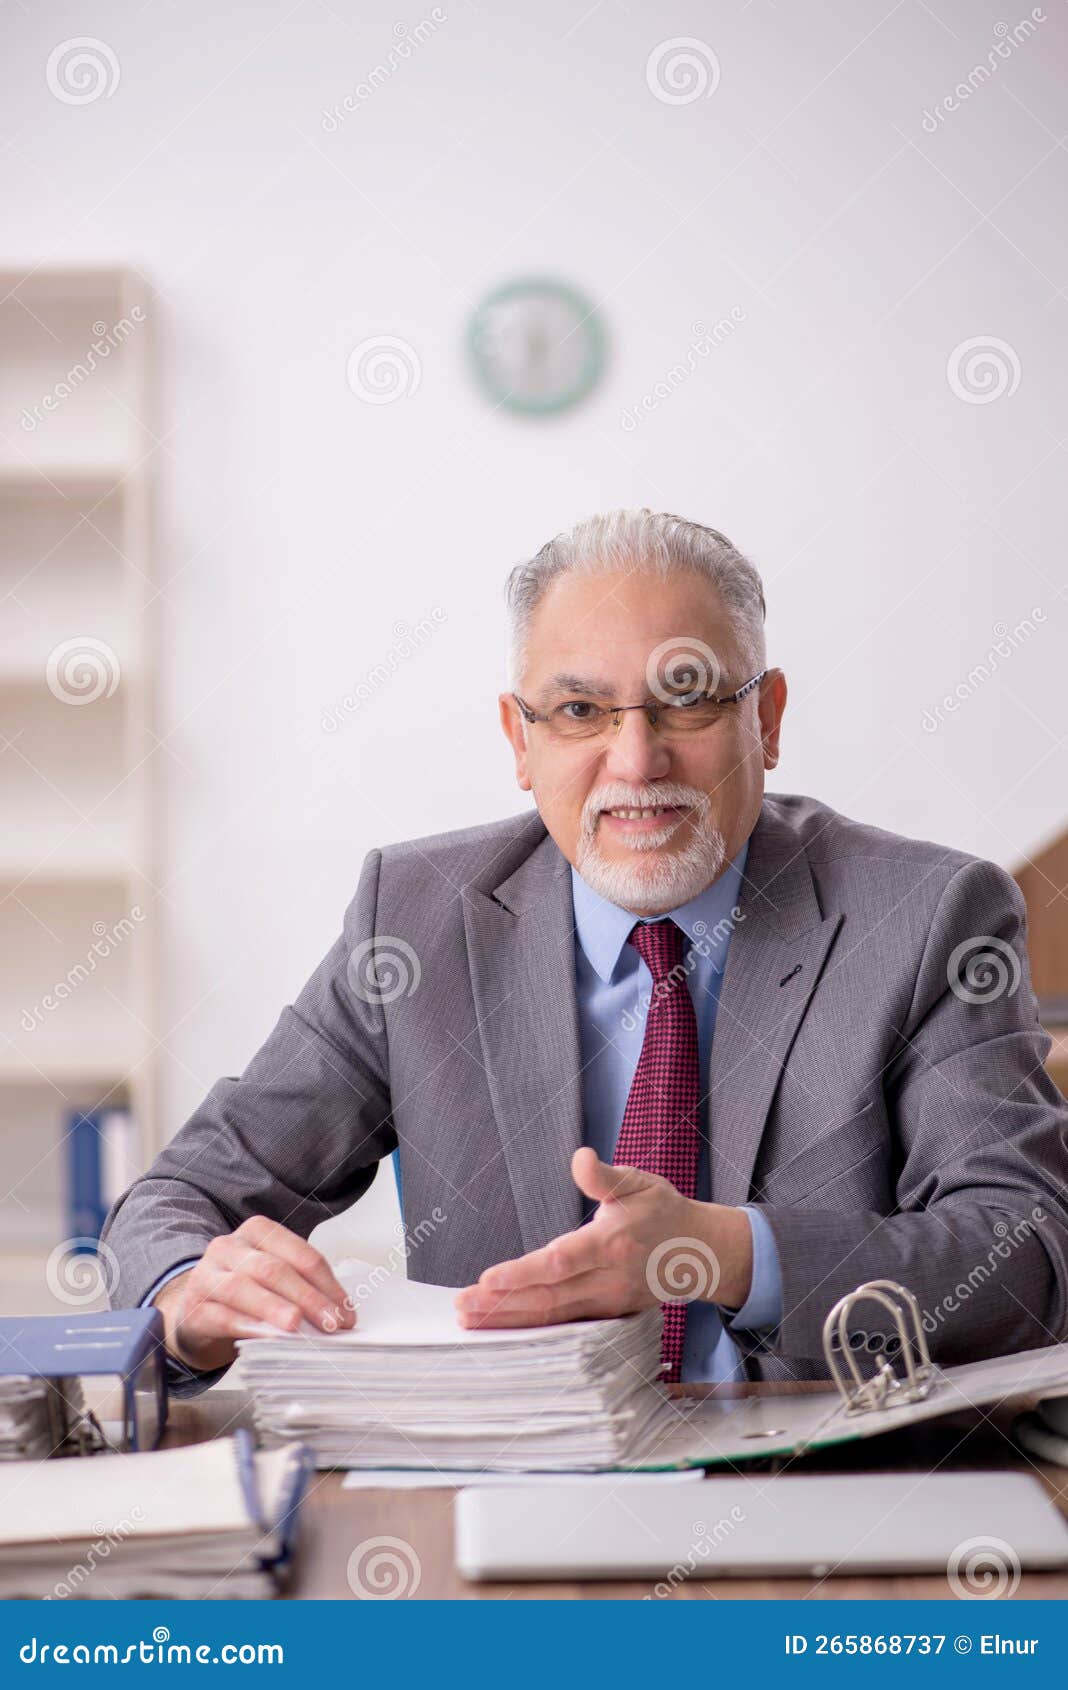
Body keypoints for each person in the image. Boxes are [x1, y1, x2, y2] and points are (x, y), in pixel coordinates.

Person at [102, 509, 1068, 1394]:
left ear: (765, 721)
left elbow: (1030, 1257)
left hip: (825, 1494)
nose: (636, 759)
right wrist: (190, 1295)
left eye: (684, 701)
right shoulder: (417, 921)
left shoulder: (930, 915)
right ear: (519, 741)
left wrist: (725, 1252)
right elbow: (175, 1203)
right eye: (579, 712)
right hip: (509, 1479)